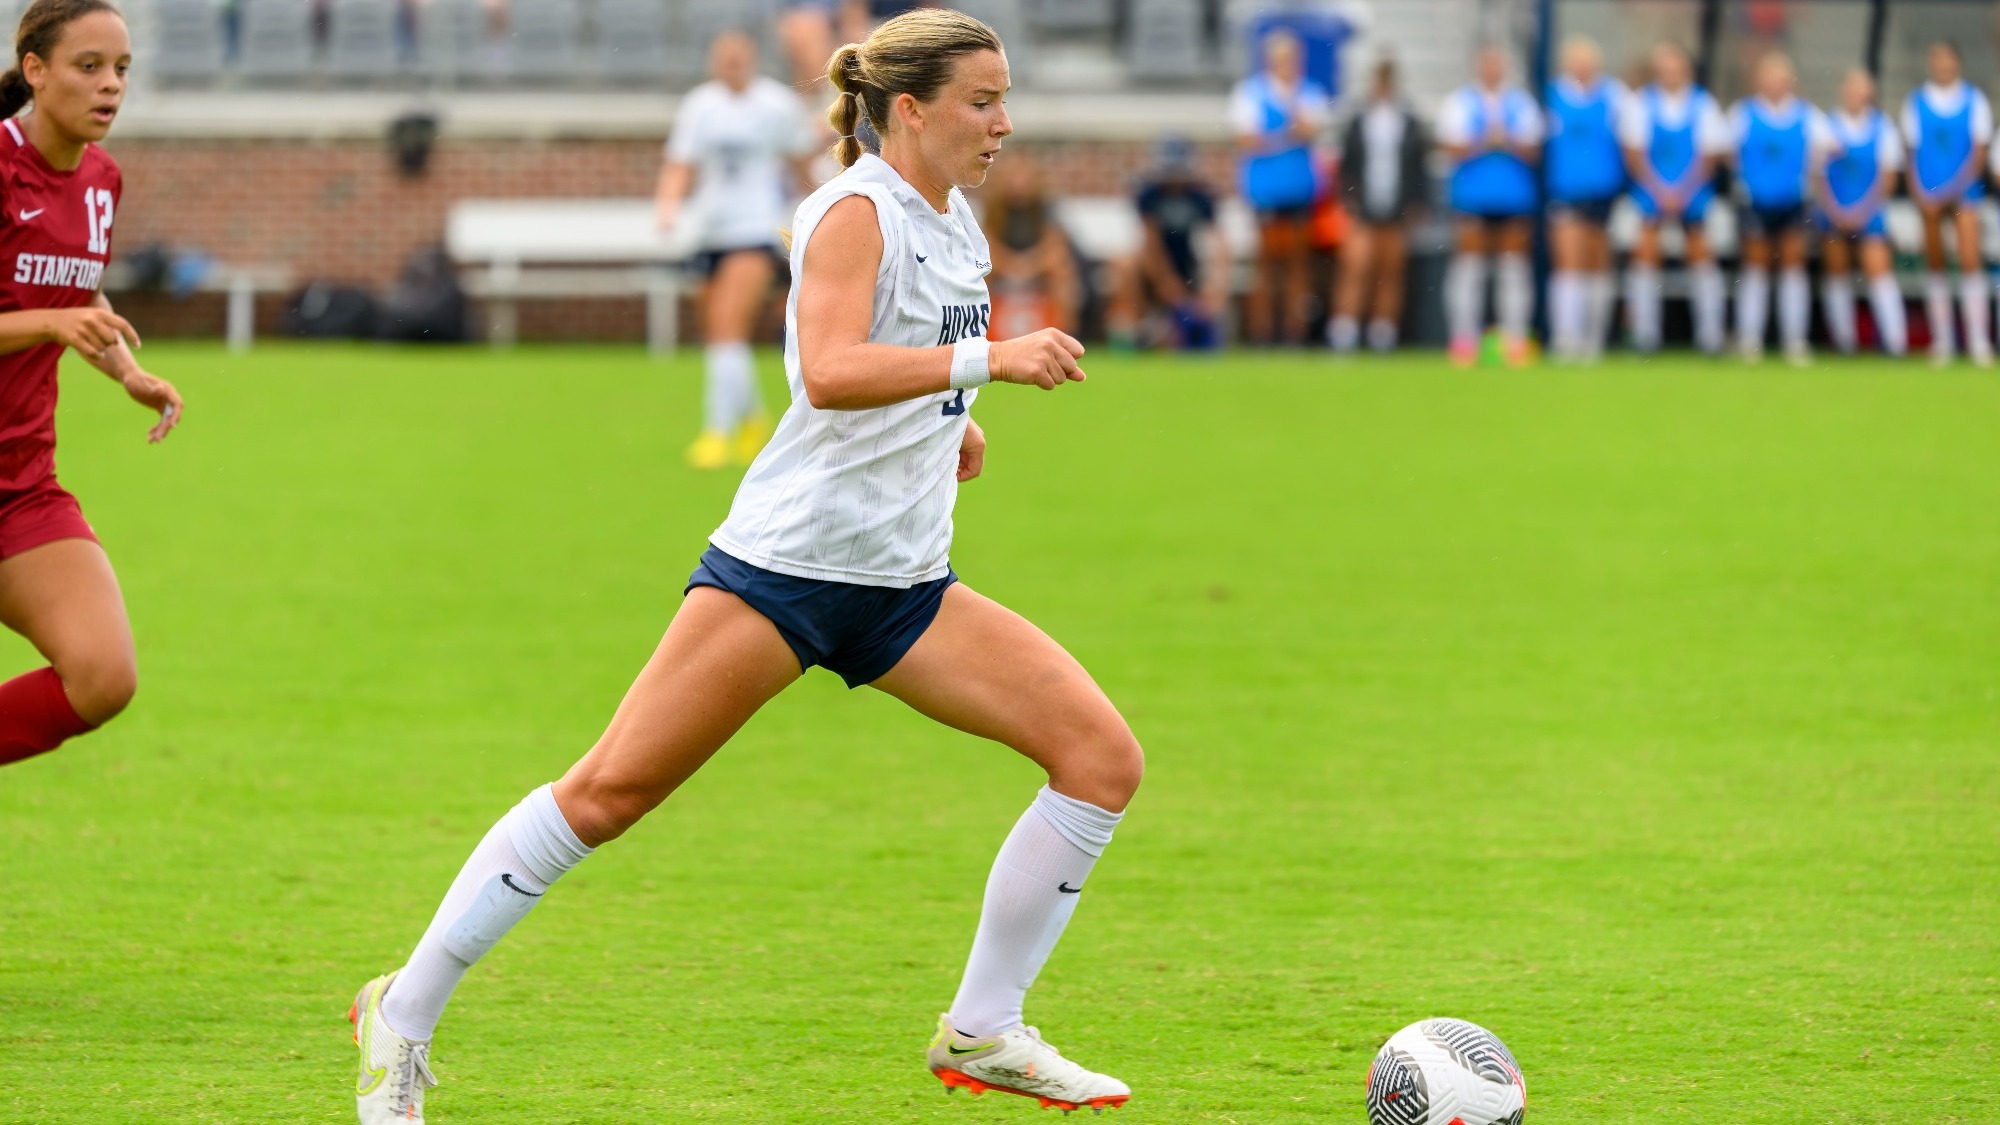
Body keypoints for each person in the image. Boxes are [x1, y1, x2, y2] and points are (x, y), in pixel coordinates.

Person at [349, 10, 1141, 1124]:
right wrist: (988, 360)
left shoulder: (954, 215)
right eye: (982, 99)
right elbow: (825, 368)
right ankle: (404, 1009)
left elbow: (897, 361)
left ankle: (983, 1030)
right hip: (787, 573)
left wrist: (951, 418)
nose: (1003, 121)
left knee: (1099, 760)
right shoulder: (854, 208)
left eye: (1005, 98)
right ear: (908, 109)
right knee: (608, 792)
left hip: (906, 584)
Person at [0, 0, 184, 768]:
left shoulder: (102, 179)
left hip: (20, 484)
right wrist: (49, 323)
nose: (110, 86)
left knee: (103, 676)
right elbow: (52, 311)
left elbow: (78, 297)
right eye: (89, 67)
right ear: (35, 71)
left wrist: (126, 370)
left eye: (121, 70)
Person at [657, 29, 818, 470]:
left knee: (728, 328)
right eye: (723, 57)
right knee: (719, 334)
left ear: (751, 59)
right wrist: (668, 206)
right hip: (711, 231)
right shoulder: (700, 105)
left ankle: (717, 432)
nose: (731, 64)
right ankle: (752, 419)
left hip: (755, 229)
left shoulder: (775, 105)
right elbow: (680, 164)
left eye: (738, 56)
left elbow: (803, 161)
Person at [1436, 44, 1543, 366]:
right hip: (1472, 197)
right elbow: (1450, 147)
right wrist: (1485, 141)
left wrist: (1506, 140)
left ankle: (1515, 339)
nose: (1493, 71)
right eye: (1488, 64)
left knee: (1513, 270)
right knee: (1469, 269)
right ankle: (1464, 340)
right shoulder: (1459, 102)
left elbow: (1532, 150)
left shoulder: (1521, 103)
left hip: (1513, 197)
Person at [1621, 41, 1730, 356]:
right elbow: (1635, 154)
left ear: (1686, 69)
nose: (1670, 72)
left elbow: (1708, 156)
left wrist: (1680, 191)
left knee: (1701, 256)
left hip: (1691, 191)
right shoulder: (1641, 103)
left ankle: (1710, 336)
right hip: (1651, 191)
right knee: (1645, 254)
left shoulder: (1703, 104)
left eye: (1675, 66)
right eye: (1664, 67)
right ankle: (1646, 335)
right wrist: (1661, 191)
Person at [1728, 52, 1834, 366]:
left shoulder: (1807, 115)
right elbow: (1724, 150)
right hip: (1755, 201)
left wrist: (1811, 169)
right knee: (1756, 266)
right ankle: (1750, 340)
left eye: (1781, 79)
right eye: (1769, 78)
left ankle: (1794, 340)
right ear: (1759, 82)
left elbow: (1831, 147)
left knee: (1792, 265)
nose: (1775, 85)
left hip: (1793, 201)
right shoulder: (1743, 114)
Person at [1230, 27, 1331, 346]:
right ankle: (1262, 332)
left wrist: (1282, 132)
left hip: (1300, 190)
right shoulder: (1251, 92)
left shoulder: (1309, 93)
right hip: (1265, 192)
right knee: (1266, 264)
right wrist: (1290, 132)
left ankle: (1293, 332)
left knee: (1298, 265)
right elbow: (1248, 139)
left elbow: (1311, 130)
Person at [1900, 40, 1992, 366]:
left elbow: (1978, 153)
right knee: (1935, 264)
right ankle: (1942, 339)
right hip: (1929, 196)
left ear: (1957, 63)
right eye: (1936, 59)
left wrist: (1952, 190)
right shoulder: (1916, 102)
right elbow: (1910, 154)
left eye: (1947, 59)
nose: (1942, 65)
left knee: (1969, 261)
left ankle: (1978, 340)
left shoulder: (1974, 100)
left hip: (1963, 193)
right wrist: (1922, 194)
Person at [1330, 56, 1426, 354]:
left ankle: (1382, 332)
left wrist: (1416, 203)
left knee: (1390, 272)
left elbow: (1416, 168)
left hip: (1395, 206)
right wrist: (1349, 199)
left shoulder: (1409, 122)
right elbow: (1347, 166)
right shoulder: (1358, 121)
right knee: (1356, 268)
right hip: (1364, 207)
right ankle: (1345, 330)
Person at [1543, 36, 1627, 363]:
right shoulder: (1552, 97)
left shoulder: (1615, 96)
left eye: (1588, 61)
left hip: (1604, 192)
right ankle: (1567, 337)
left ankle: (1594, 339)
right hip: (1566, 191)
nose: (1583, 67)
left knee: (1597, 265)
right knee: (1569, 263)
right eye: (1576, 61)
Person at [1818, 67, 1907, 357]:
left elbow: (1888, 178)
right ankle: (1844, 341)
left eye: (1863, 90)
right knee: (1837, 272)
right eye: (1853, 89)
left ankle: (1896, 342)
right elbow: (1816, 175)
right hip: (1834, 211)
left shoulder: (1883, 128)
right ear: (1843, 92)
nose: (1858, 96)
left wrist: (1861, 211)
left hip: (1869, 212)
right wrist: (1835, 210)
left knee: (1879, 270)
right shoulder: (1826, 127)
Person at [1108, 135, 1226, 350]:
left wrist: (1213, 288)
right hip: (1154, 268)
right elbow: (1151, 244)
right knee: (1125, 265)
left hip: (1189, 268)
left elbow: (1219, 244)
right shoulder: (1149, 194)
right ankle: (1132, 331)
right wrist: (1168, 284)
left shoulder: (1201, 195)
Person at [981, 149, 1080, 340]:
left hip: (1039, 269)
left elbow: (1054, 248)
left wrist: (1028, 265)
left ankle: (1065, 334)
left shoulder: (1047, 209)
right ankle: (980, 331)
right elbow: (988, 249)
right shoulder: (994, 210)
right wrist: (1012, 266)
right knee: (981, 273)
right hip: (1002, 269)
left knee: (1063, 273)